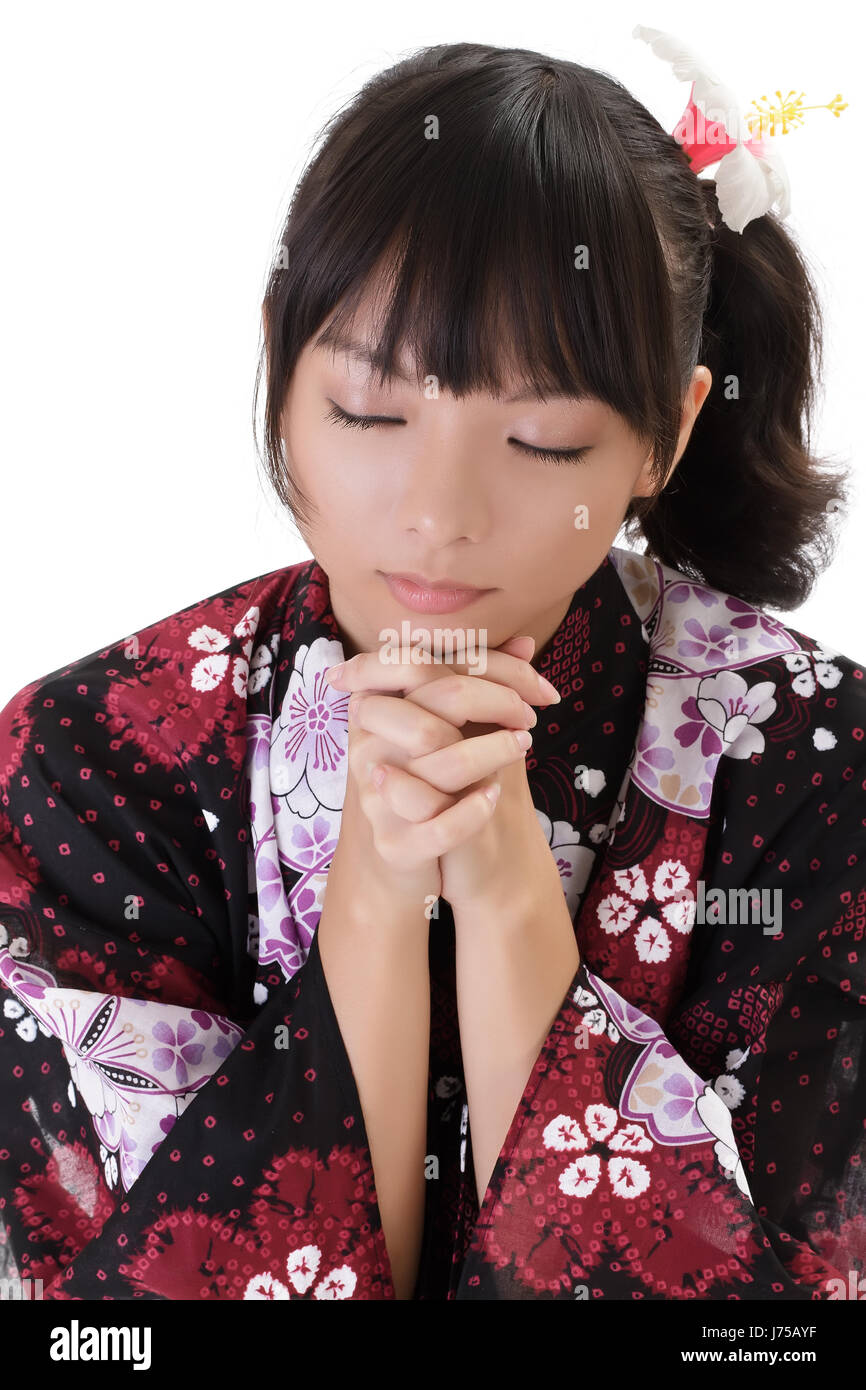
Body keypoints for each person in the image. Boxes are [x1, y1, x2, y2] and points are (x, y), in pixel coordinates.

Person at [1, 40, 863, 1303]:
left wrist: (512, 906)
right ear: (280, 374)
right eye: (367, 412)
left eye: (539, 436)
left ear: (661, 436)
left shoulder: (813, 765)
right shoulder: (88, 757)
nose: (435, 514)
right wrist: (372, 900)